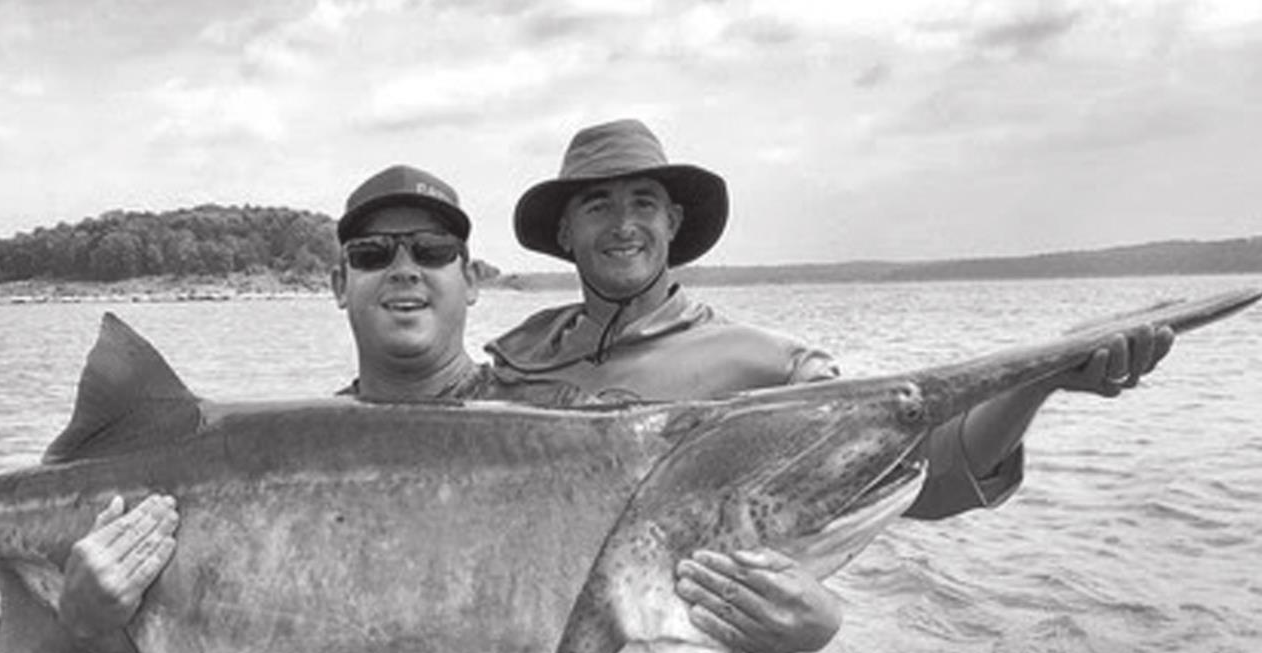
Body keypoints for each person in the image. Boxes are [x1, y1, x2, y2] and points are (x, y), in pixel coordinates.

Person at [57, 164, 841, 653]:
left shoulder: (582, 431)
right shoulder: (269, 464)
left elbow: (696, 578)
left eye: (431, 252)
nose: (403, 271)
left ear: (471, 280)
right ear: (339, 283)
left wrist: (809, 624)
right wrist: (94, 627)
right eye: (372, 256)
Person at [486, 118, 1173, 537]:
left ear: (673, 224)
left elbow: (924, 482)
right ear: (565, 231)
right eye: (598, 204)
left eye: (644, 202)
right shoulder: (510, 369)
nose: (624, 222)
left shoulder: (773, 368)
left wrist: (1039, 381)